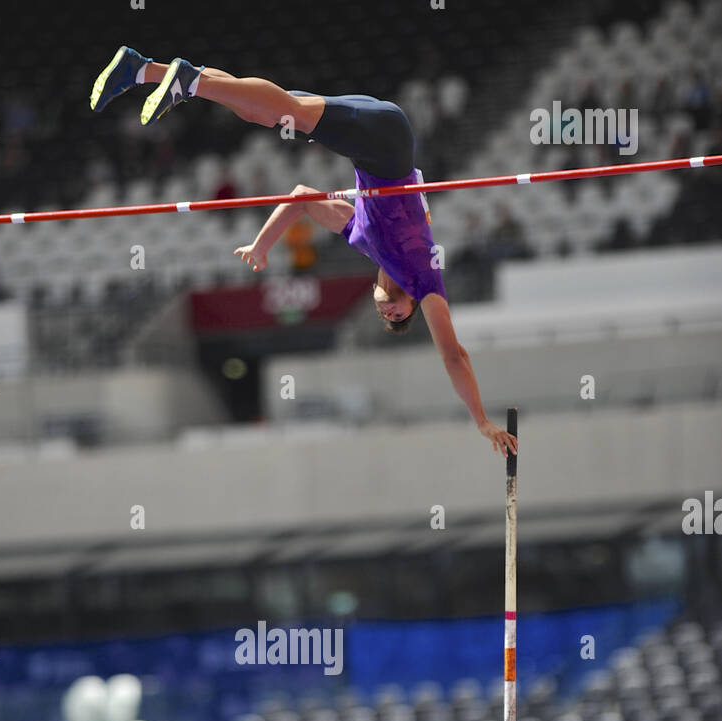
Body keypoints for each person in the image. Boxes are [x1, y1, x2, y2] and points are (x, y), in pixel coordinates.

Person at [89, 47, 517, 460]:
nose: (392, 314)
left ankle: (142, 69)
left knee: (256, 109)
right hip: (388, 142)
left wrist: (262, 245)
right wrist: (481, 420)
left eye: (387, 319)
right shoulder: (424, 278)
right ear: (412, 302)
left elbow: (301, 198)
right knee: (274, 111)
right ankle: (189, 80)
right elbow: (453, 355)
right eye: (401, 315)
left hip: (370, 137)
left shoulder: (361, 239)